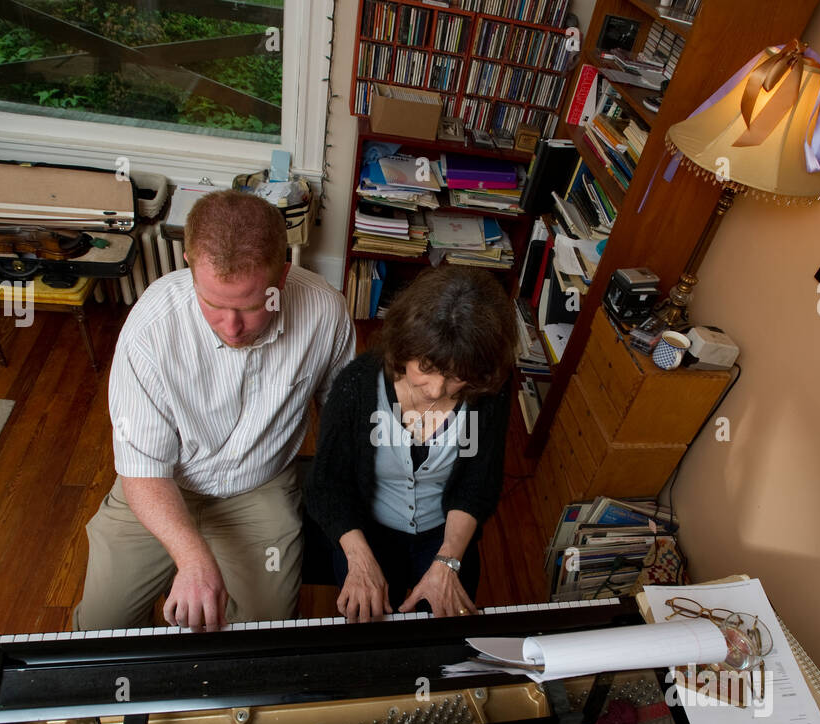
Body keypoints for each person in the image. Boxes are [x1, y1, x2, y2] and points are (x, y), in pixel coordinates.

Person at [73, 190, 354, 632]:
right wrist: (194, 560)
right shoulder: (150, 328)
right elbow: (143, 469)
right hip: (163, 485)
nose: (232, 327)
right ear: (188, 265)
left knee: (264, 636)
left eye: (250, 306)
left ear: (282, 276)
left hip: (260, 486)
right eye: (214, 304)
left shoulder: (325, 312)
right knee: (97, 632)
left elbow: (345, 426)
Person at [304, 266, 517, 621]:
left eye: (455, 377)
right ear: (405, 346)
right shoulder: (356, 385)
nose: (436, 390)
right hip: (365, 532)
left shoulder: (487, 392)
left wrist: (448, 560)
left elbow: (478, 485)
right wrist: (359, 559)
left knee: (443, 631)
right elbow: (327, 485)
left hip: (445, 534)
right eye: (427, 367)